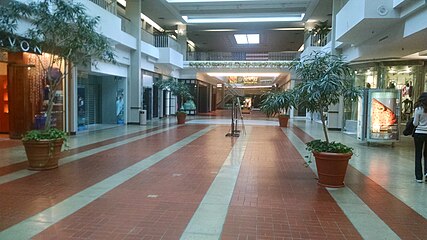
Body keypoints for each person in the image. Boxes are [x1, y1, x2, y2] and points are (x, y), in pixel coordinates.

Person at [412, 92, 427, 183]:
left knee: (418, 155)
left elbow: (415, 123)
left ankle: (419, 177)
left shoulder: (418, 109)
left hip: (419, 134)